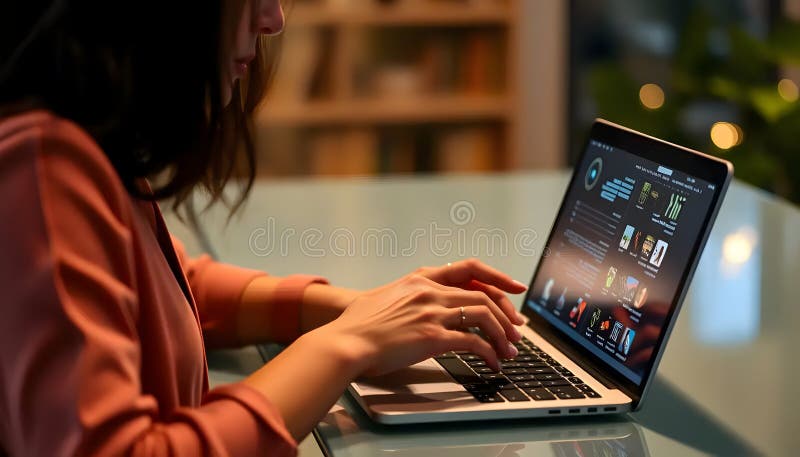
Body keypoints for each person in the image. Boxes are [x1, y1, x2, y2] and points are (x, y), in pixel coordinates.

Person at [0, 1, 527, 455]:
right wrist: (348, 343)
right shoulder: (42, 166)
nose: (274, 19)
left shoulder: (79, 136)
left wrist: (353, 308)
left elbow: (173, 288)